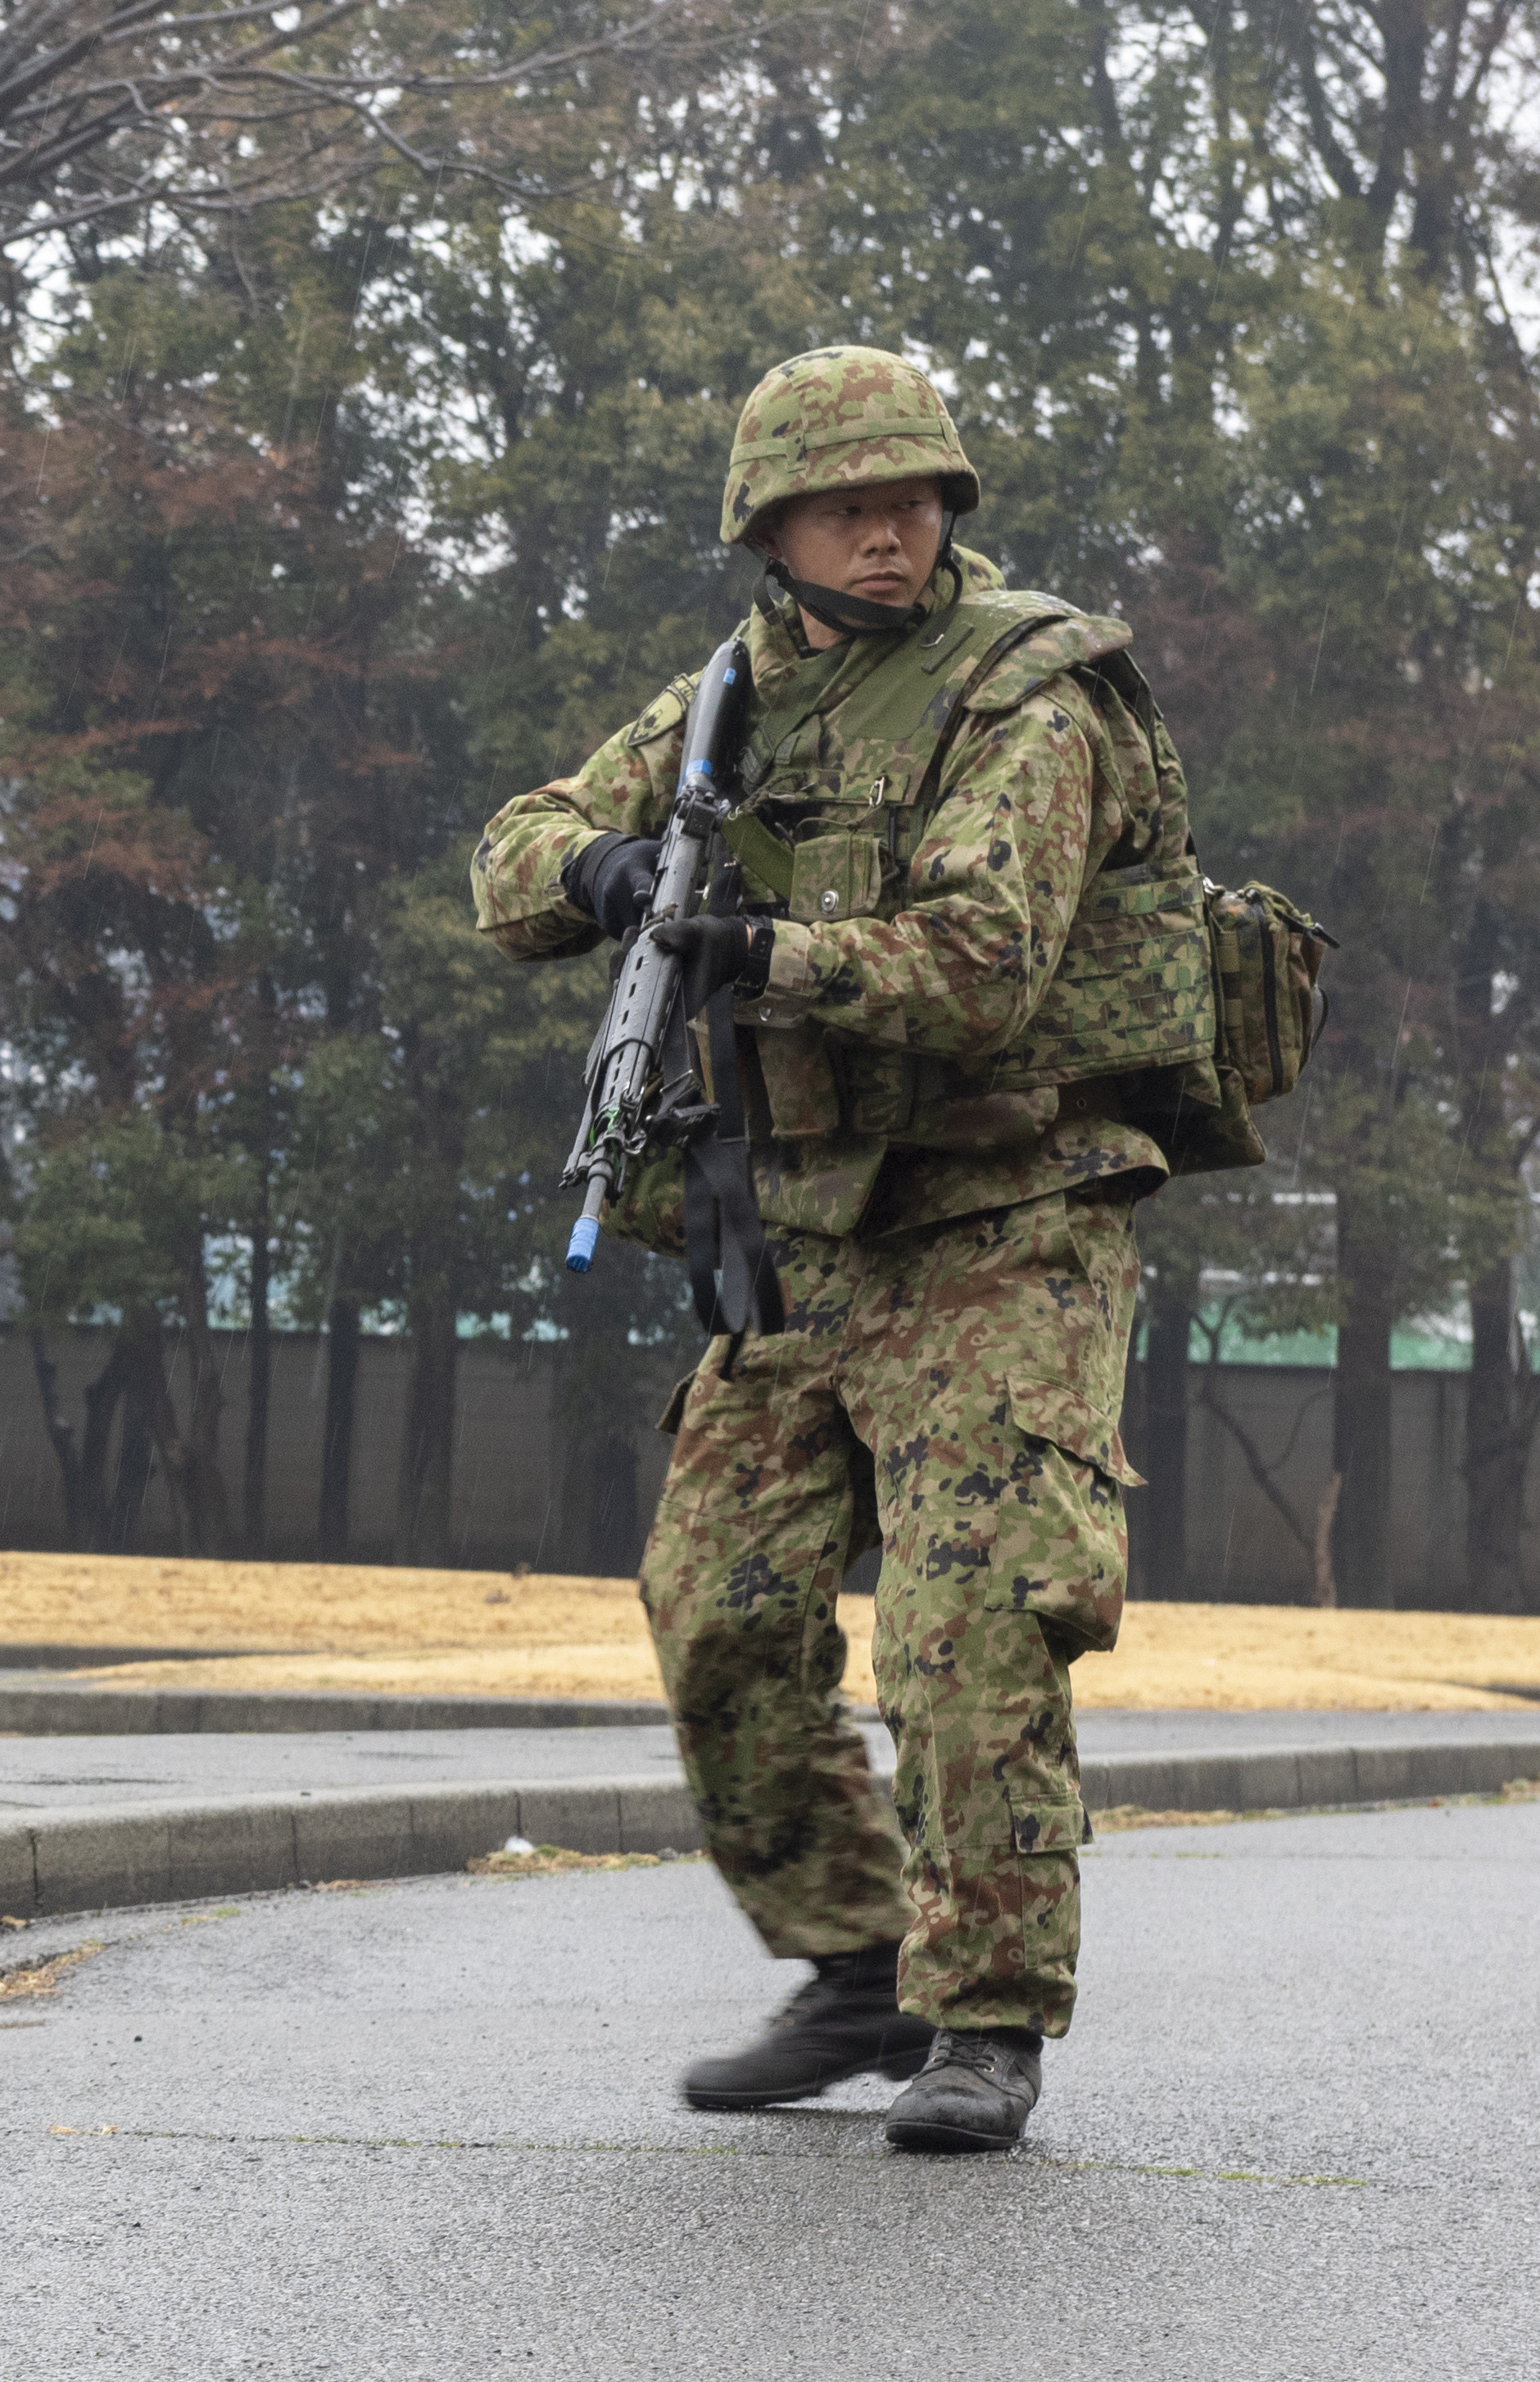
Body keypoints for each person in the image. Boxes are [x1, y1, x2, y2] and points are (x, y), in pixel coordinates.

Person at [474, 346, 1208, 2156]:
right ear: (772, 527)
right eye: (844, 506)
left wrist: (760, 946)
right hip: (803, 1230)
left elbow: (980, 961)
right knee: (713, 1610)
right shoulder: (733, 692)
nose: (885, 535)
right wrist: (606, 878)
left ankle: (984, 2013)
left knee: (966, 1626)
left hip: (999, 1220)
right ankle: (857, 1964)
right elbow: (515, 846)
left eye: (911, 500)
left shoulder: (1033, 692)